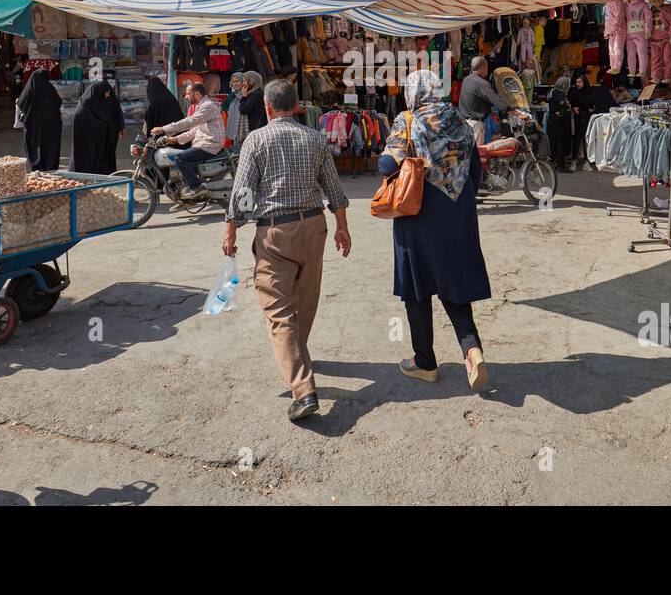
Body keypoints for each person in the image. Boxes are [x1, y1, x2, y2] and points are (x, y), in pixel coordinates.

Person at [223, 79, 351, 423]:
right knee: (305, 301)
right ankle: (299, 357)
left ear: (266, 108)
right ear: (297, 107)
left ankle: (303, 389)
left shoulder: (256, 139)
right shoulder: (314, 138)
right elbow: (334, 188)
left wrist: (232, 229)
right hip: (313, 228)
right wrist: (342, 227)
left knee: (279, 312)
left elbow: (242, 192)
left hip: (275, 232)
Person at [381, 70, 490, 391]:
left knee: (418, 285)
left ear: (413, 93)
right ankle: (472, 349)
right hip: (458, 214)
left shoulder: (408, 121)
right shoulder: (459, 121)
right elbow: (475, 174)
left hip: (418, 215)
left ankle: (425, 362)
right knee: (453, 281)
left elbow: (388, 165)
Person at [150, 82, 225, 199]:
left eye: (188, 94)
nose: (185, 97)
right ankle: (186, 197)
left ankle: (196, 187)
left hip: (210, 144)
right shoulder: (201, 106)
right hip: (204, 143)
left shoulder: (208, 106)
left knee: (180, 158)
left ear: (197, 94)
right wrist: (175, 139)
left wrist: (163, 128)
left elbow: (189, 122)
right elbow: (195, 130)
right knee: (183, 162)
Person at [70, 80, 124, 175]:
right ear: (98, 91)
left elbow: (117, 111)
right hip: (90, 140)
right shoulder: (85, 105)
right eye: (106, 92)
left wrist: (120, 126)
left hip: (106, 137)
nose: (108, 94)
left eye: (109, 91)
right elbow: (86, 121)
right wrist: (103, 124)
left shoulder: (110, 98)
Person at [16, 69, 62, 171]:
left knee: (35, 144)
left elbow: (20, 104)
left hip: (33, 124)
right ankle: (50, 166)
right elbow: (58, 102)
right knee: (50, 144)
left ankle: (35, 165)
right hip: (51, 123)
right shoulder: (50, 88)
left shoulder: (29, 89)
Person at [458, 55, 508, 145]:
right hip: (475, 125)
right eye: (487, 66)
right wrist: (511, 108)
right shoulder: (481, 83)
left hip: (464, 123)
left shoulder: (466, 80)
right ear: (482, 67)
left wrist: (491, 113)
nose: (487, 69)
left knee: (468, 153)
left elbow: (476, 101)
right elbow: (499, 103)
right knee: (477, 154)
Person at [568, 71, 595, 169]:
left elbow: (591, 102)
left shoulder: (589, 91)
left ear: (584, 82)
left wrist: (582, 107)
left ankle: (586, 162)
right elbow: (572, 102)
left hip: (586, 118)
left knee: (586, 139)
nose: (577, 84)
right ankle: (574, 161)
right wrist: (577, 107)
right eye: (577, 82)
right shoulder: (574, 92)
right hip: (578, 119)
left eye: (580, 82)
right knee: (577, 139)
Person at [547, 75, 574, 171]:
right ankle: (560, 166)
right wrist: (565, 111)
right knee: (560, 143)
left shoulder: (553, 92)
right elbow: (564, 107)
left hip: (553, 121)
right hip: (559, 123)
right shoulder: (560, 94)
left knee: (555, 142)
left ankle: (554, 163)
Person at [240, 70, 267, 135]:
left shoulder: (256, 95)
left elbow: (243, 110)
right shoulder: (254, 93)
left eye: (244, 81)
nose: (243, 84)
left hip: (256, 129)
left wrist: (244, 97)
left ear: (251, 82)